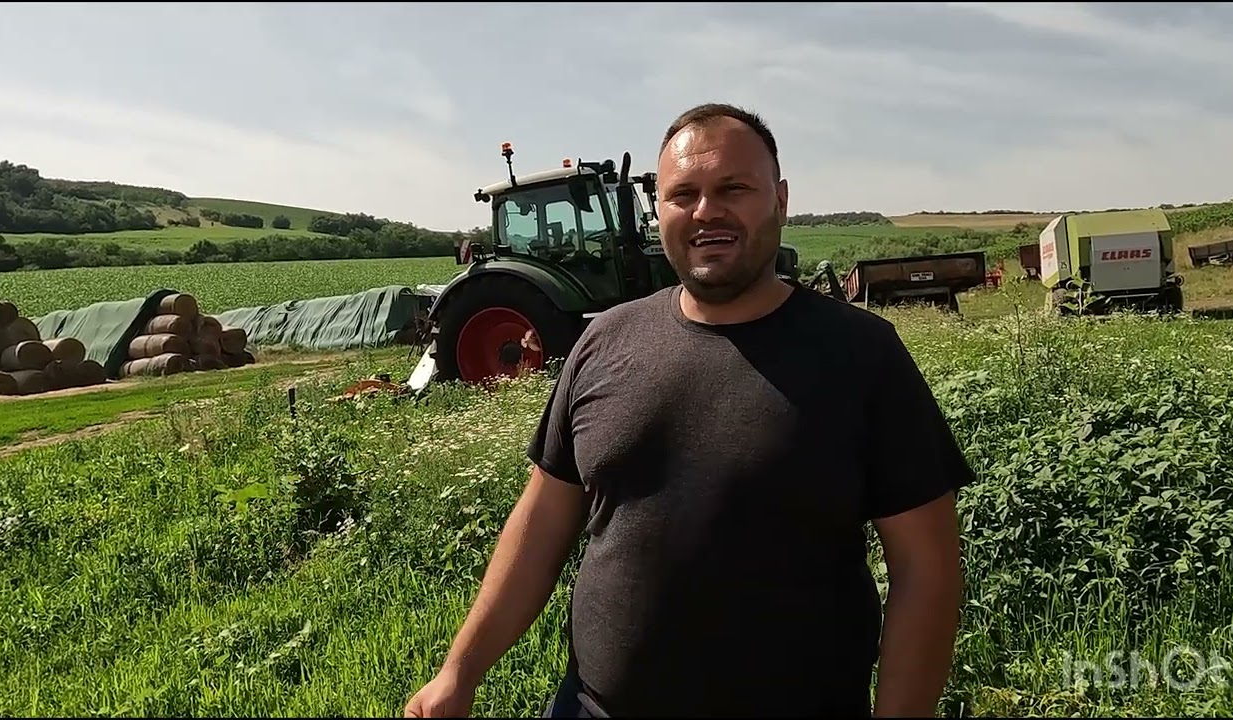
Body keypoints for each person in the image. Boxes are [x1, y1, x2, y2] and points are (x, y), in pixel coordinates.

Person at [404, 103, 974, 718]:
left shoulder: (863, 355)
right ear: (662, 209)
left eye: (734, 188)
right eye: (685, 194)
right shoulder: (604, 342)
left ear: (780, 200)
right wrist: (458, 672)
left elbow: (926, 571)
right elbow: (542, 520)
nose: (707, 212)